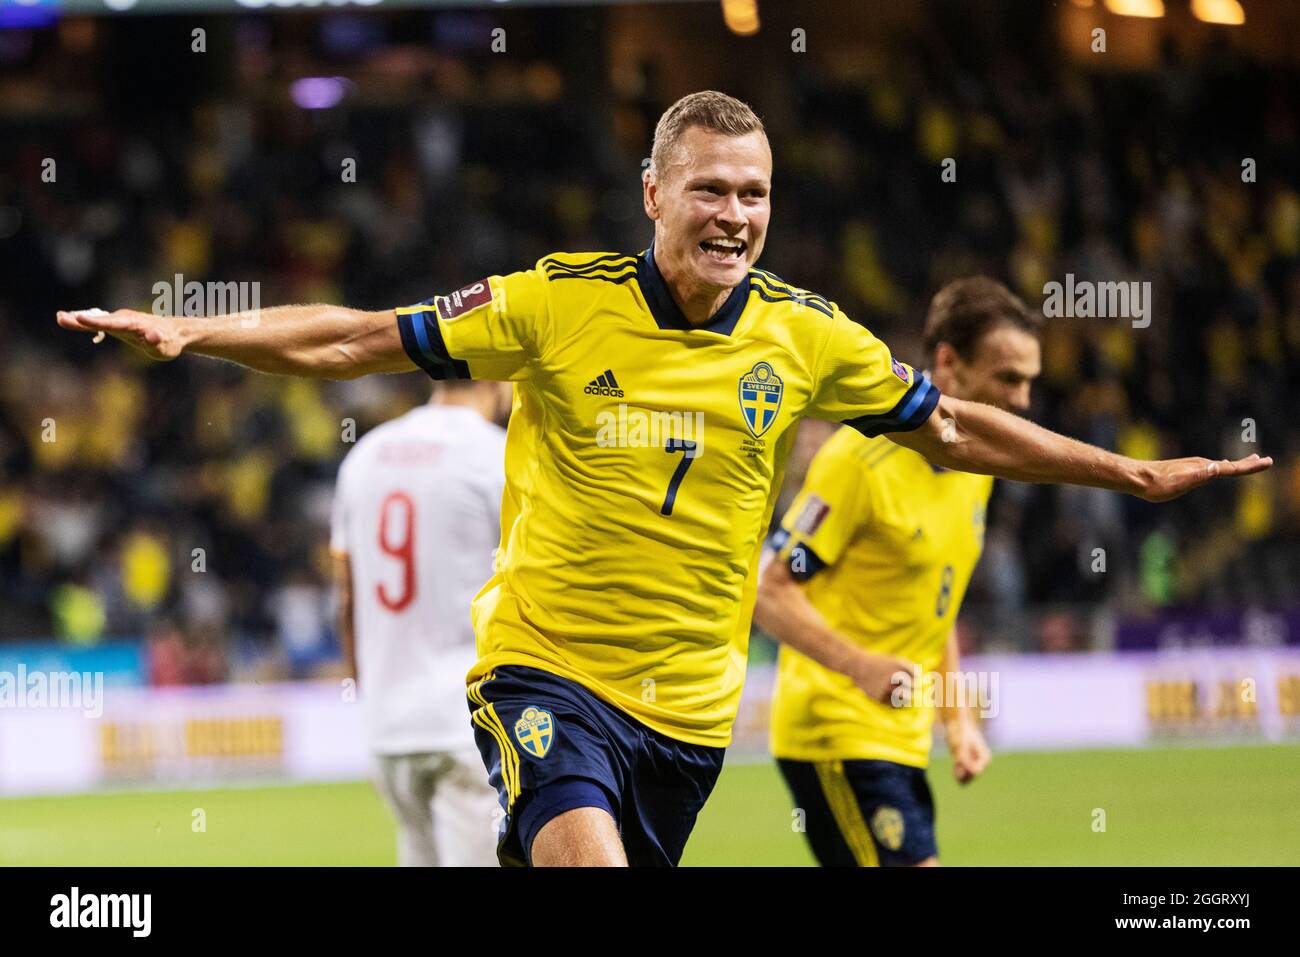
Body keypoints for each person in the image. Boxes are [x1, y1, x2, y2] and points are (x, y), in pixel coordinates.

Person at [57, 90, 1270, 867]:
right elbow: (357, 337)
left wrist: (1129, 474)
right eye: (708, 189)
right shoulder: (550, 303)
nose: (733, 213)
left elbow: (950, 430)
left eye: (753, 194)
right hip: (543, 667)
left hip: (690, 715)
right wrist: (192, 330)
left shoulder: (808, 335)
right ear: (653, 195)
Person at [755, 277, 1038, 866]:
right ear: (948, 363)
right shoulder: (860, 460)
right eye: (1008, 378)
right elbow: (770, 593)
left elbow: (935, 604)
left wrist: (957, 720)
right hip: (835, 731)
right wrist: (859, 666)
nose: (1022, 400)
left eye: (1029, 382)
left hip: (902, 738)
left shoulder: (975, 467)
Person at [330, 379, 510, 866]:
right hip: (471, 726)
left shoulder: (365, 455)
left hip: (390, 730)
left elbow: (346, 599)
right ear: (497, 375)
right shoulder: (497, 458)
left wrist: (367, 698)